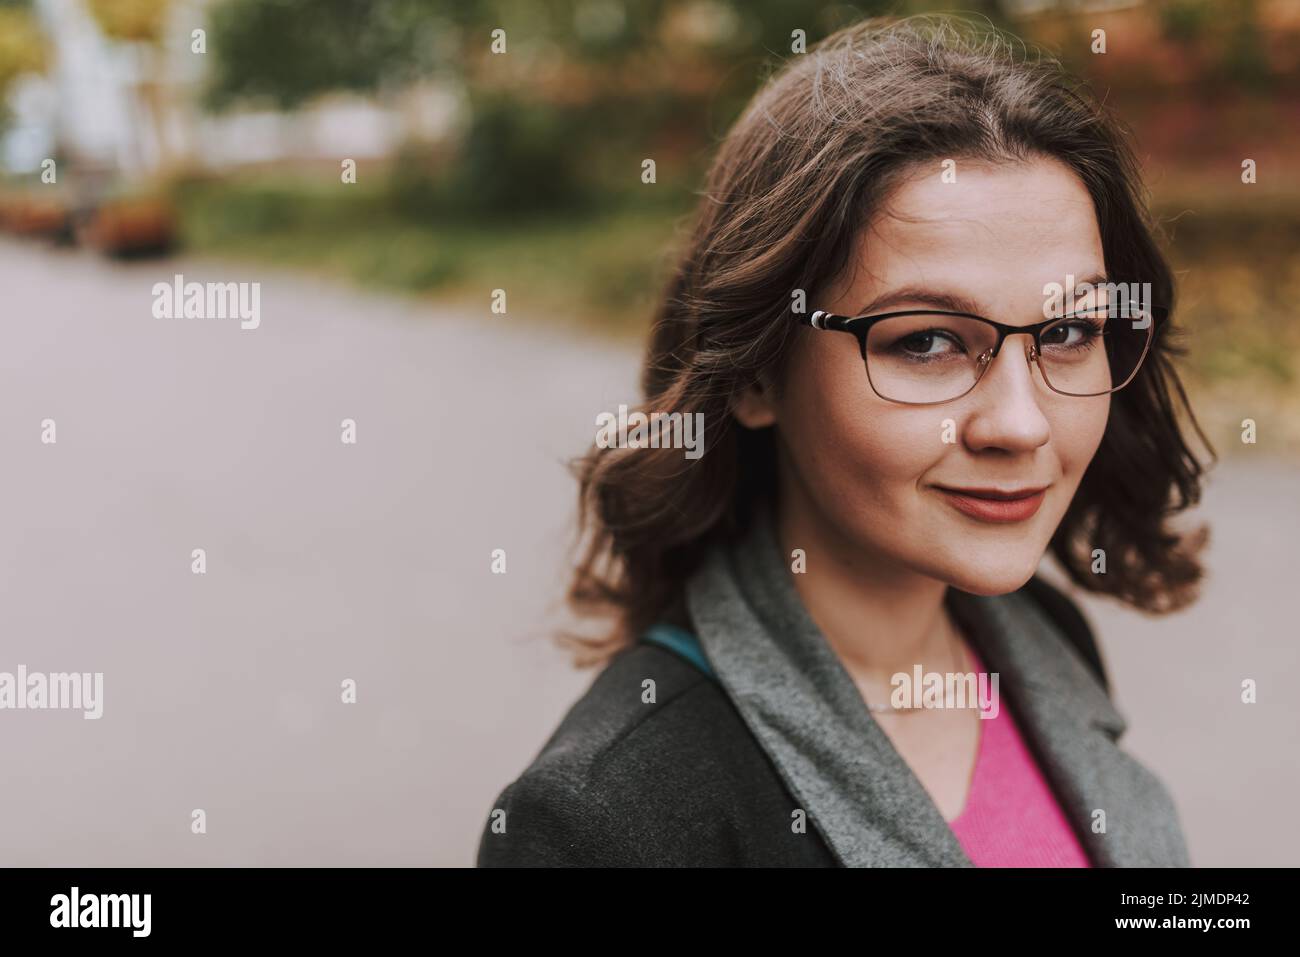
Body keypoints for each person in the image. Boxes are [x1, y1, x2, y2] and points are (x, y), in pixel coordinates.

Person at [477, 13, 1212, 867]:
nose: (1021, 422)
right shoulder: (606, 820)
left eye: (1068, 331)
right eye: (927, 341)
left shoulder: (1042, 634)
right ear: (754, 374)